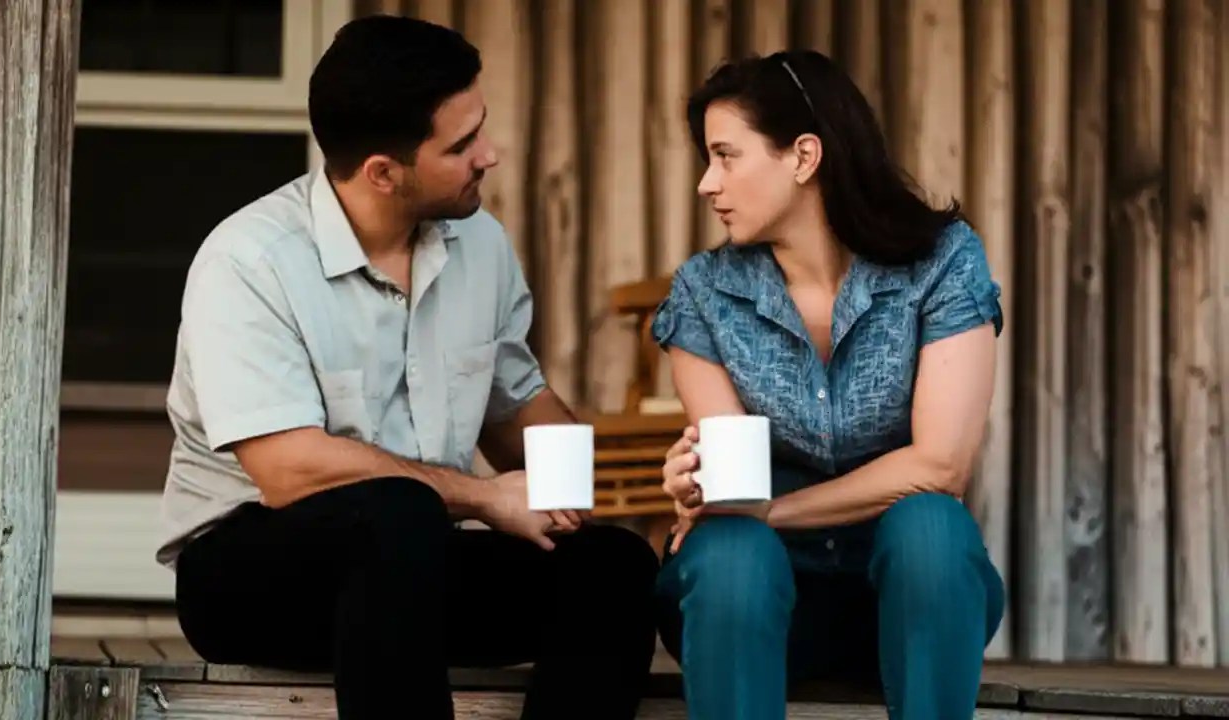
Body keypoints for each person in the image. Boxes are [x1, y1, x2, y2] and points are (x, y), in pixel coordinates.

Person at [156, 15, 658, 720]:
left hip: (410, 573)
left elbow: (517, 414)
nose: (492, 153)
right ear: (384, 173)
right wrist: (485, 499)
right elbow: (289, 471)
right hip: (253, 579)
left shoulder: (479, 243)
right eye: (462, 144)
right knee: (398, 513)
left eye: (481, 127)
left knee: (614, 568)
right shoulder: (249, 262)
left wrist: (632, 473)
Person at [651, 49, 1006, 720]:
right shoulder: (703, 291)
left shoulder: (942, 262)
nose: (706, 182)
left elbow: (941, 465)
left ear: (804, 157)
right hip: (758, 612)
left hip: (909, 610)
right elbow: (733, 487)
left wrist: (772, 511)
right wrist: (698, 485)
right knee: (727, 548)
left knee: (932, 525)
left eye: (726, 156)